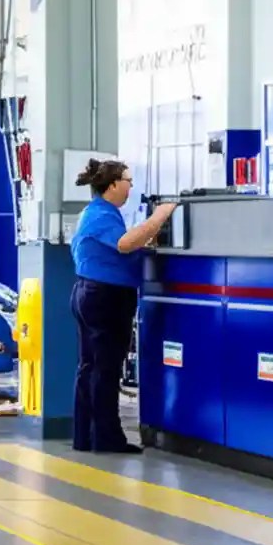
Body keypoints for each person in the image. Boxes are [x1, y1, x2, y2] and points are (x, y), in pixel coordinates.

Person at [69, 158, 177, 453]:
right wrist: (161, 215)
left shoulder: (98, 213)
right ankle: (107, 438)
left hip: (91, 294)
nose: (131, 188)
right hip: (105, 298)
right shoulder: (101, 214)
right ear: (113, 184)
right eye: (128, 182)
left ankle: (86, 437)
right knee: (105, 369)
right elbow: (125, 244)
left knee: (90, 367)